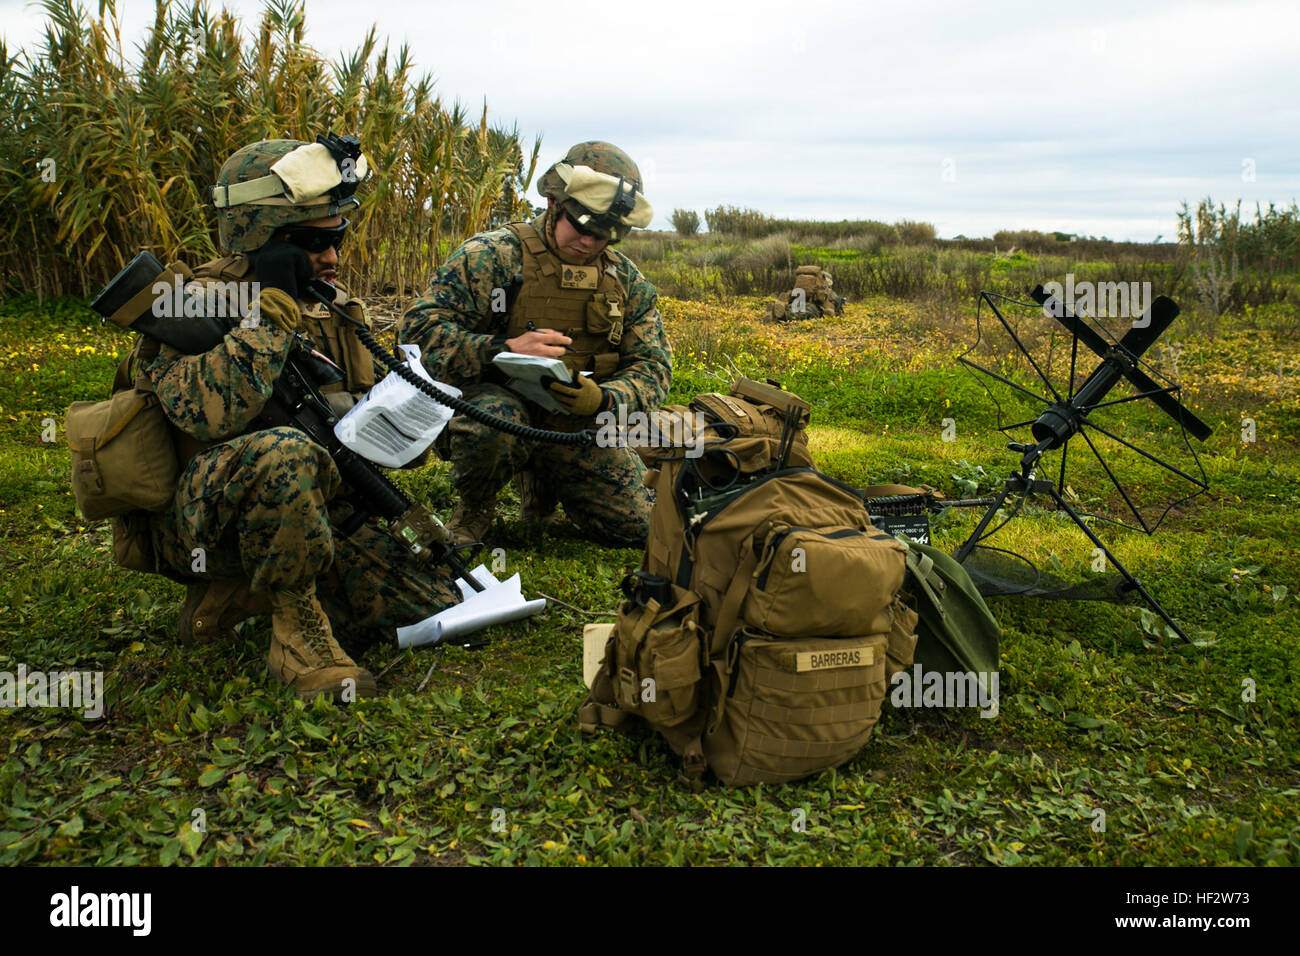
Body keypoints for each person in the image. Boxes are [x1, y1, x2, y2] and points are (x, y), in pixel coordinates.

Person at [136, 136, 459, 700]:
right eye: (313, 243)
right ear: (263, 241)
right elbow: (211, 415)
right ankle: (297, 642)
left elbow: (356, 428)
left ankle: (244, 595)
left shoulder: (329, 311)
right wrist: (272, 313)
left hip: (306, 511)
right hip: (199, 518)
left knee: (428, 604)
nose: (333, 257)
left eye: (337, 239)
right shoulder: (192, 307)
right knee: (285, 451)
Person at [399, 141, 671, 547]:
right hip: (497, 410)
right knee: (494, 420)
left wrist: (604, 399)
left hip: (577, 425)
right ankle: (475, 509)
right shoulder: (491, 257)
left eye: (605, 236)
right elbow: (417, 334)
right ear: (553, 202)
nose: (589, 243)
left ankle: (547, 480)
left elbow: (654, 366)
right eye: (581, 226)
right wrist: (500, 349)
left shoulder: (625, 281)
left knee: (638, 529)